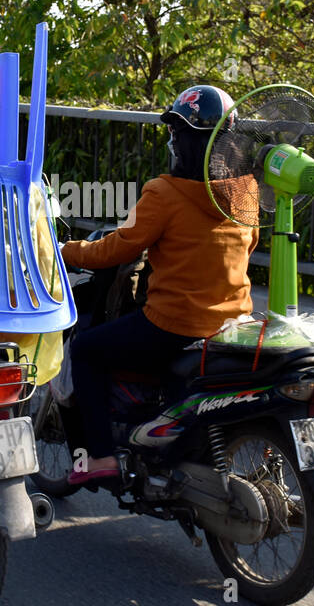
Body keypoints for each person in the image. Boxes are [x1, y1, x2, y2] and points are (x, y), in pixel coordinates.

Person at [59, 85, 260, 484]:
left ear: (184, 142)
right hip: (234, 324)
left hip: (174, 325)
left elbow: (115, 250)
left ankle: (100, 457)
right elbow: (248, 245)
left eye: (177, 133)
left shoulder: (164, 192)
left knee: (85, 350)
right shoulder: (248, 191)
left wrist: (65, 251)